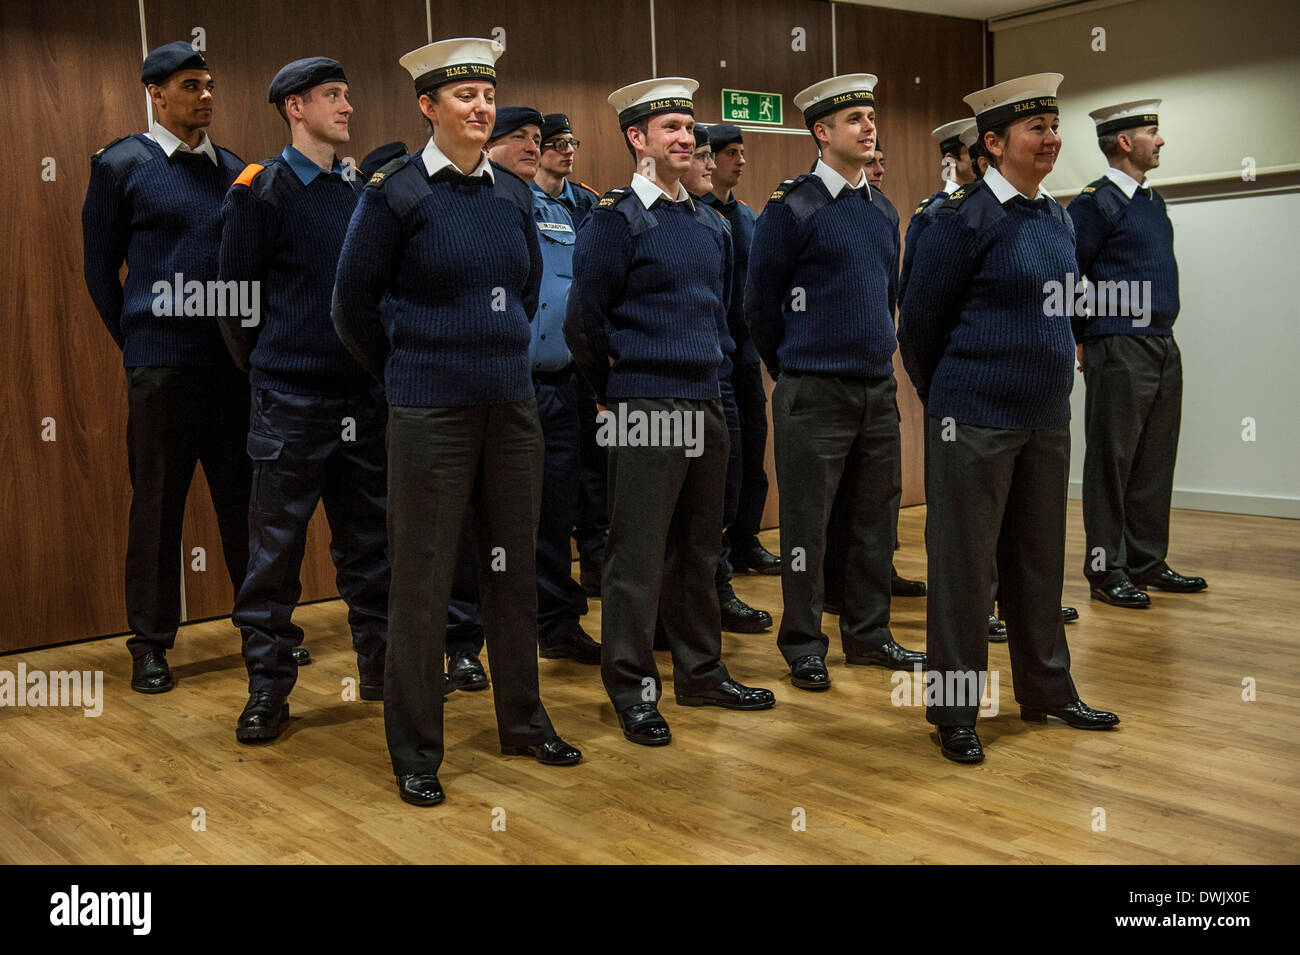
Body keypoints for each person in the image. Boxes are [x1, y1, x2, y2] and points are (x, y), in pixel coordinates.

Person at [332, 37, 580, 807]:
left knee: (512, 575)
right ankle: (416, 746)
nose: (479, 107)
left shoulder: (512, 196)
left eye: (487, 94)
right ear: (428, 107)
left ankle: (523, 717)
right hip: (428, 413)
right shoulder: (395, 195)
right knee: (424, 582)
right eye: (463, 96)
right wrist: (410, 376)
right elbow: (352, 309)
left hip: (511, 409)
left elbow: (529, 287)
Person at [899, 73, 1119, 764]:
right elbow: (920, 328)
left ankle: (1047, 689)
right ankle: (956, 711)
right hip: (973, 420)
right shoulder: (954, 219)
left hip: (1046, 418)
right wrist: (955, 400)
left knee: (1036, 566)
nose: (1052, 138)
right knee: (964, 573)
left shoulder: (1055, 215)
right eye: (1037, 129)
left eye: (1055, 126)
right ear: (993, 143)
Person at [565, 77, 775, 747]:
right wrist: (613, 389)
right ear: (638, 138)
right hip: (643, 402)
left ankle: (702, 671)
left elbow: (723, 314)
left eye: (690, 127)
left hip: (706, 396)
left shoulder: (709, 222)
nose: (687, 138)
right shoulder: (615, 218)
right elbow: (582, 324)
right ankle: (632, 687)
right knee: (636, 554)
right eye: (670, 129)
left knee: (699, 547)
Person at [217, 58, 389, 741]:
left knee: (372, 547)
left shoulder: (362, 193)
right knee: (274, 555)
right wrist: (269, 370)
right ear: (295, 107)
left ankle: (381, 670)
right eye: (331, 96)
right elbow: (234, 305)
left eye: (346, 93)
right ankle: (267, 689)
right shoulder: (262, 190)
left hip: (362, 401)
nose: (346, 106)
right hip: (289, 400)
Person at [82, 41, 254, 695]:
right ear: (155, 93)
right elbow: (101, 270)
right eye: (190, 85)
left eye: (209, 84)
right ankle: (150, 645)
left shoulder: (237, 170)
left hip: (230, 370)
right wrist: (136, 339)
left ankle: (262, 630)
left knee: (246, 506)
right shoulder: (122, 164)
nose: (204, 95)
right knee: (158, 508)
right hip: (160, 367)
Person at [746, 74, 926, 694]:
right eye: (854, 118)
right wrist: (791, 366)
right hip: (812, 390)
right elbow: (759, 304)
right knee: (807, 523)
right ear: (821, 133)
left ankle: (870, 635)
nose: (868, 126)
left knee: (874, 519)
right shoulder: (791, 207)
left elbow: (890, 296)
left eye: (871, 116)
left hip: (876, 389)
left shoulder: (883, 208)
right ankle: (803, 642)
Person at [1072, 99, 1205, 609]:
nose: (1161, 140)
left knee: (1154, 457)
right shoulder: (1093, 203)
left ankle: (1147, 561)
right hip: (1118, 343)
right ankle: (1107, 572)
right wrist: (1083, 336)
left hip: (1161, 342)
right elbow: (1068, 275)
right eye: (1153, 131)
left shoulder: (1152, 201)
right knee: (1112, 462)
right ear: (1124, 141)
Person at [486, 105, 602, 663]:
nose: (536, 147)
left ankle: (556, 624)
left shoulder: (569, 206)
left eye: (540, 139)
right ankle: (468, 636)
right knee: (486, 516)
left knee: (556, 512)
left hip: (558, 385)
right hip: (498, 386)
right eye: (522, 138)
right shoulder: (484, 199)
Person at [681, 126, 772, 634]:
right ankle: (693, 601)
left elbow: (756, 296)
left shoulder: (737, 221)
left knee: (735, 473)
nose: (723, 164)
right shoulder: (633, 218)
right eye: (717, 155)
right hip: (679, 380)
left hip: (734, 358)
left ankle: (726, 571)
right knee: (694, 496)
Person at [700, 124, 780, 580]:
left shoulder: (749, 219)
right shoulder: (696, 212)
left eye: (741, 152)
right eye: (729, 152)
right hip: (712, 357)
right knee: (723, 461)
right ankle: (722, 551)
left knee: (753, 448)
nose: (739, 160)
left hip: (747, 353)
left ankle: (747, 538)